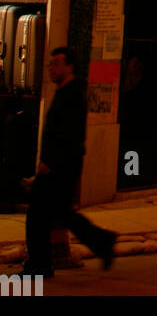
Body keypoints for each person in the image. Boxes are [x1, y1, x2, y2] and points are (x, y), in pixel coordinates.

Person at [23, 47, 116, 277]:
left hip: (61, 166)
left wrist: (49, 164)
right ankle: (102, 242)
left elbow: (68, 135)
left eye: (56, 63)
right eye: (50, 64)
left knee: (38, 215)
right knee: (59, 213)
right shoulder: (65, 92)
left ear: (69, 66)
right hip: (60, 165)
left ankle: (39, 266)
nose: (52, 69)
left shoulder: (72, 95)